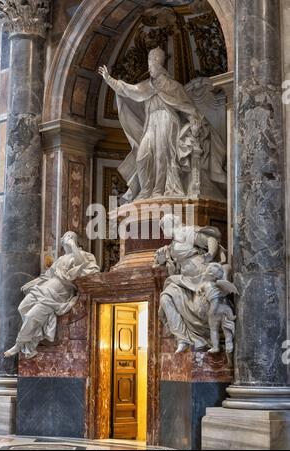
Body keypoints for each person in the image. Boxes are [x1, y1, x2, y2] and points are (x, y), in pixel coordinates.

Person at [99, 47, 226, 202]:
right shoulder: (146, 86)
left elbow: (187, 107)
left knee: (162, 157)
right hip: (151, 123)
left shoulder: (172, 86)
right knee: (142, 156)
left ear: (159, 65)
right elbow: (128, 90)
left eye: (151, 65)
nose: (149, 69)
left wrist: (194, 120)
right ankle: (146, 190)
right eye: (149, 65)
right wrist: (109, 80)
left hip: (167, 121)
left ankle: (159, 190)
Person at [4, 232, 100, 359]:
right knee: (22, 307)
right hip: (43, 288)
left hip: (57, 294)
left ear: (76, 240)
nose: (68, 239)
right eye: (66, 237)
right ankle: (31, 340)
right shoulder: (60, 259)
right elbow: (47, 275)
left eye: (71, 237)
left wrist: (73, 246)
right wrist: (32, 284)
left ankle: (19, 344)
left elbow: (80, 264)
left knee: (31, 316)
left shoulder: (83, 255)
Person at [155, 214, 228, 353]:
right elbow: (172, 267)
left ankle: (207, 339)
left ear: (170, 224)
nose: (164, 232)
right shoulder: (172, 245)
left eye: (164, 228)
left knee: (204, 307)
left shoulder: (188, 232)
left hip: (201, 275)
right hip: (184, 280)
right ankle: (182, 338)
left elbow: (211, 239)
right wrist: (163, 258)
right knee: (165, 298)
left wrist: (211, 254)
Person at [198, 263, 237, 354]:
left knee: (214, 329)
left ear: (210, 274)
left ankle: (216, 347)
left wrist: (212, 311)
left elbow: (214, 300)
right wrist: (200, 290)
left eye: (207, 270)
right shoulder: (209, 284)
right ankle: (228, 343)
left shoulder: (211, 286)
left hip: (215, 310)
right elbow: (201, 287)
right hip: (224, 308)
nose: (204, 272)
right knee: (226, 327)